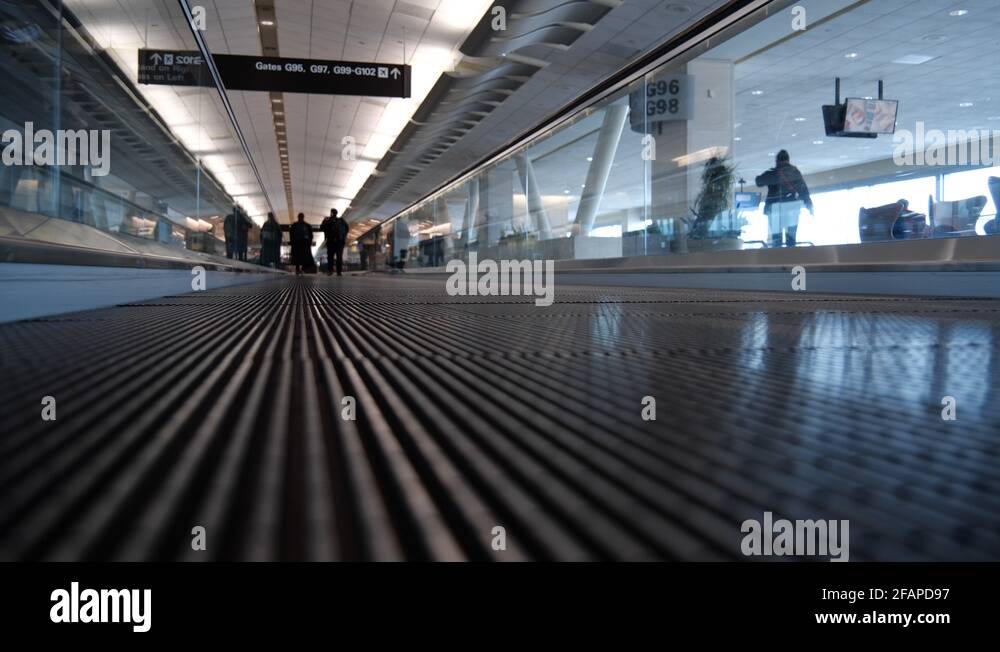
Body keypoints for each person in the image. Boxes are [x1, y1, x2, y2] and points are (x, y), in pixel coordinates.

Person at [755, 150, 813, 247]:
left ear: (777, 160)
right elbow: (803, 190)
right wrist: (809, 205)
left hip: (775, 209)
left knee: (776, 239)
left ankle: (778, 256)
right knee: (791, 238)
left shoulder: (773, 173)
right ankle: (791, 255)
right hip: (792, 208)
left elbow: (759, 182)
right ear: (788, 160)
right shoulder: (795, 172)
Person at [320, 208, 349, 276]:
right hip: (340, 241)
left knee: (330, 257)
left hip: (331, 241)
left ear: (331, 213)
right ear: (336, 213)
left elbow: (321, 228)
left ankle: (330, 271)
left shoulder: (328, 220)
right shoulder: (341, 220)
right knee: (339, 257)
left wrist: (324, 220)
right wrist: (343, 237)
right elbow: (347, 228)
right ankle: (339, 272)